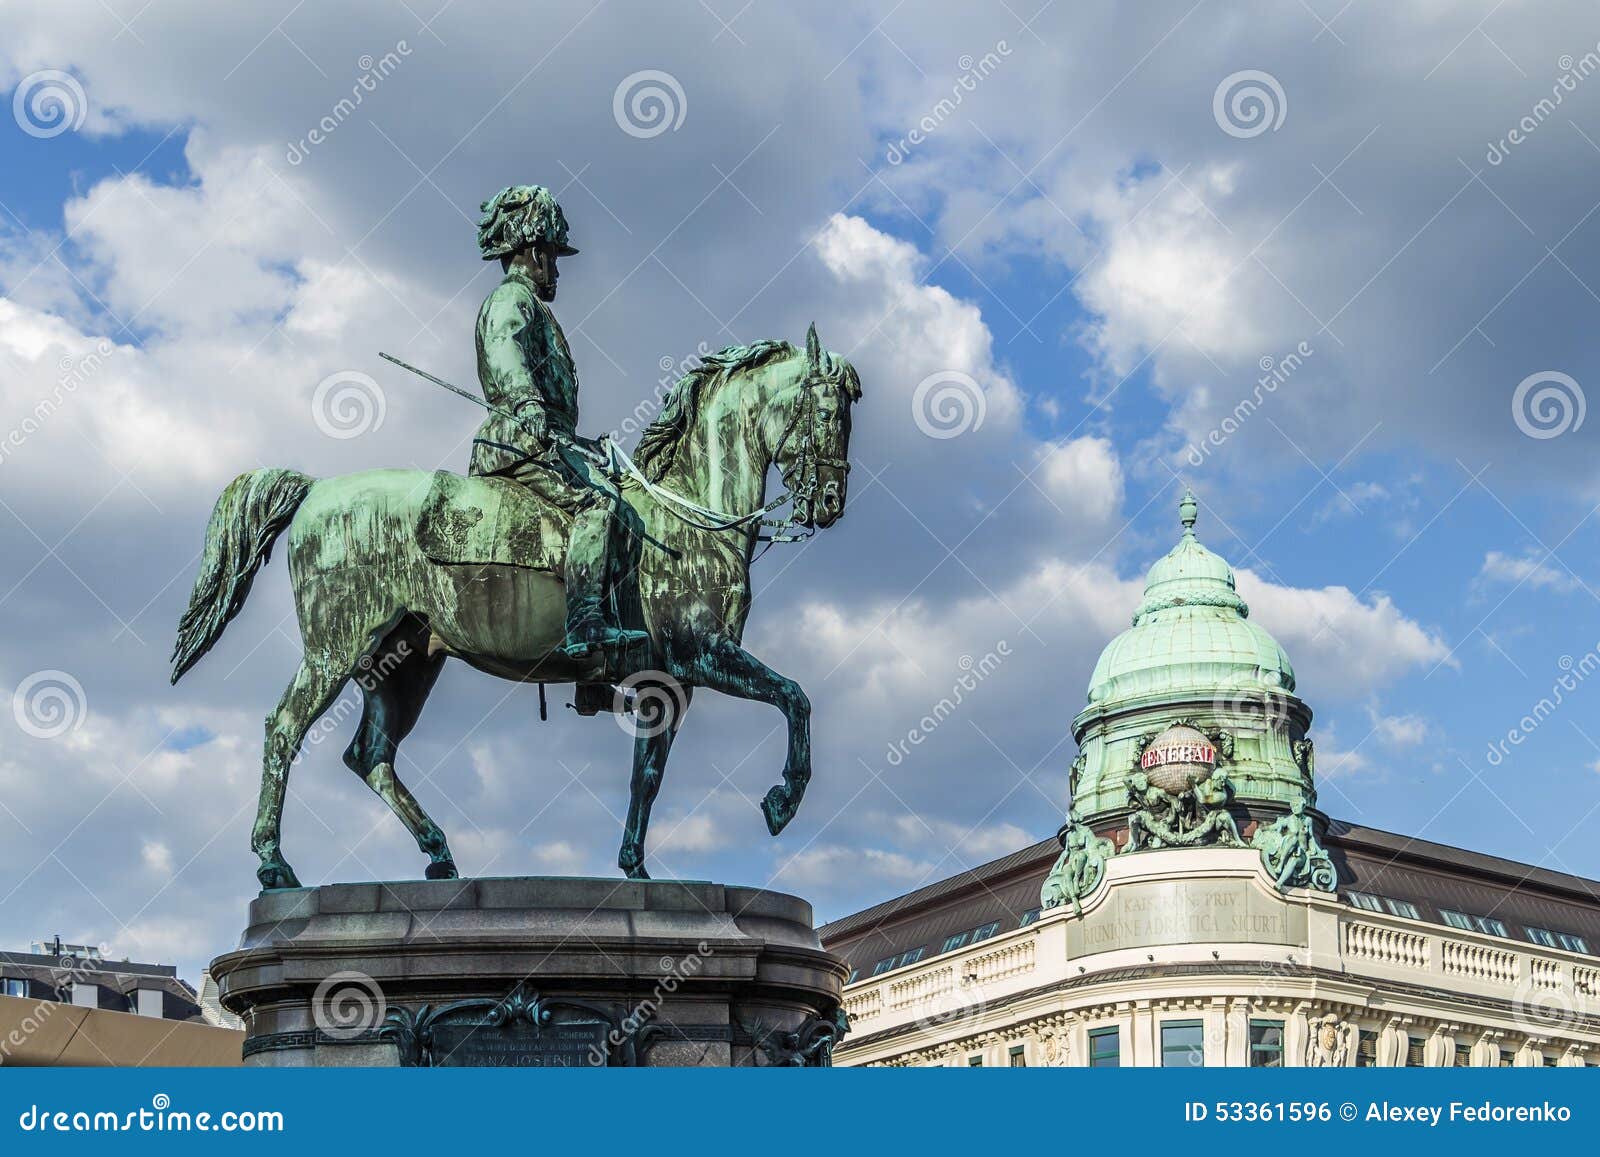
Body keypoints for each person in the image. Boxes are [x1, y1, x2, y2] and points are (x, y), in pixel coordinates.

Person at [469, 184, 647, 659]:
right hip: (517, 440)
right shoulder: (512, 300)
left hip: (542, 437)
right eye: (553, 255)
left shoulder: (531, 303)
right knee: (598, 503)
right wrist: (527, 403)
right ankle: (585, 622)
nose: (557, 269)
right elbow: (505, 349)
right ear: (535, 253)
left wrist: (581, 444)